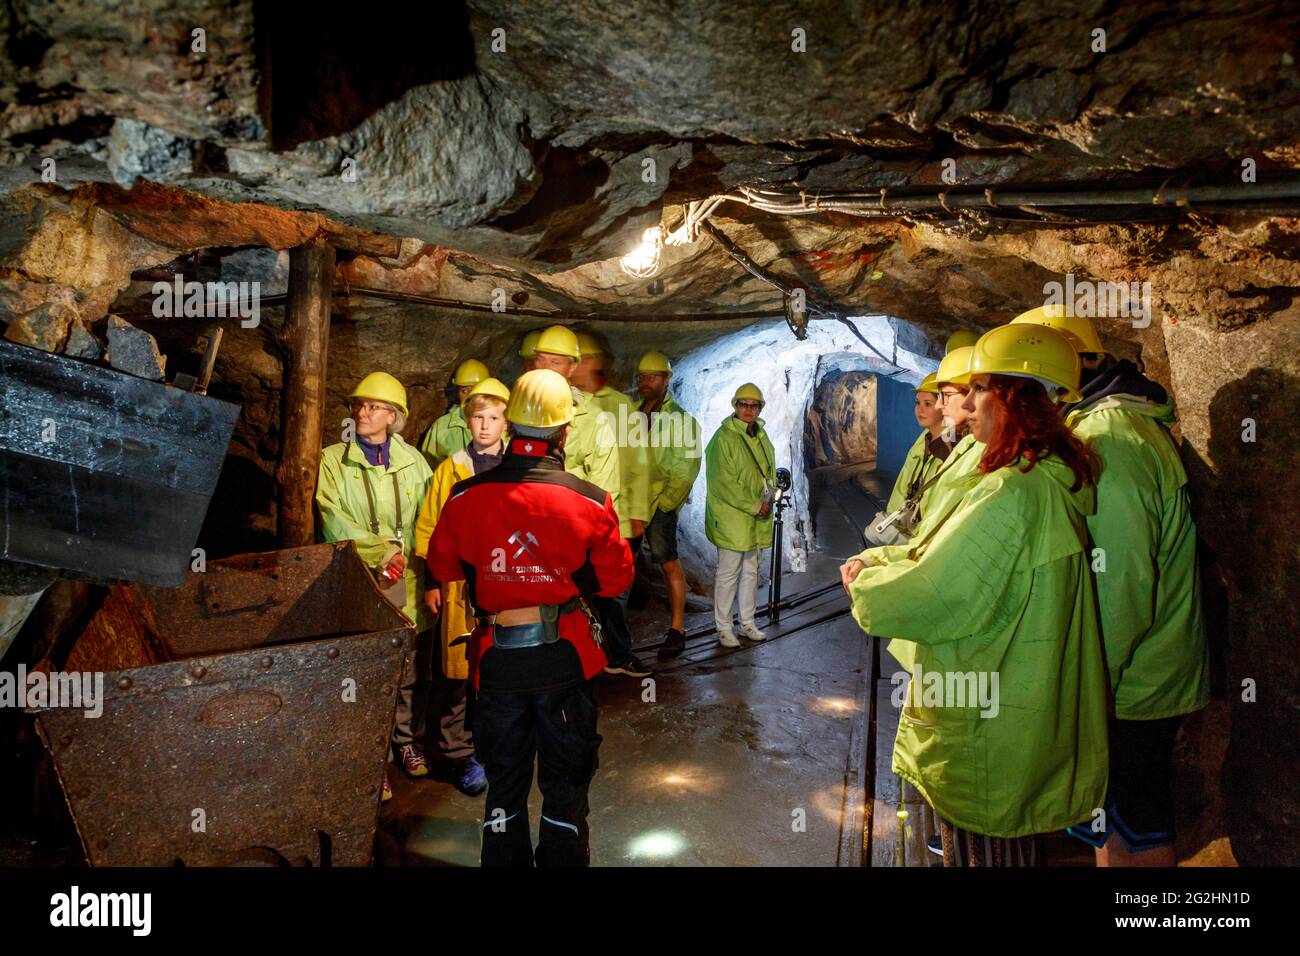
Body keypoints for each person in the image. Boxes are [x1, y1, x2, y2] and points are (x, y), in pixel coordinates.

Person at [841, 325, 1108, 866]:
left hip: (991, 714)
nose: (966, 401)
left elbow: (938, 591)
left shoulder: (1012, 491)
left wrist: (864, 583)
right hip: (1015, 701)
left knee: (986, 849)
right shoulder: (1040, 476)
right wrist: (880, 558)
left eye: (979, 388)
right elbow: (947, 551)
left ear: (1011, 397)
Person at [1012, 306, 1210, 867]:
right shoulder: (1100, 430)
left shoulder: (1111, 445)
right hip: (1133, 676)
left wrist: (1084, 689)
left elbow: (1119, 586)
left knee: (1136, 823)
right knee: (1112, 823)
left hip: (1132, 685)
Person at [426, 369, 635, 866]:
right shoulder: (589, 500)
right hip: (566, 660)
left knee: (504, 786)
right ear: (564, 433)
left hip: (497, 662)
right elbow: (615, 580)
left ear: (512, 427)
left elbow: (443, 566)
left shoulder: (464, 497)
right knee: (565, 783)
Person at [316, 372, 434, 804]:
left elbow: (429, 513)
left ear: (393, 417)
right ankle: (375, 758)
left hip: (411, 582)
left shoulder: (414, 462)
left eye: (373, 407)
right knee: (371, 674)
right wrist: (381, 553)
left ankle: (406, 740)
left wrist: (415, 553)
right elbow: (331, 520)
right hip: (366, 580)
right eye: (359, 405)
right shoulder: (333, 460)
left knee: (410, 672)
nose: (362, 413)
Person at [530, 325, 650, 678]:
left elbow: (629, 467)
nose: (547, 367)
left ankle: (607, 655)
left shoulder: (605, 411)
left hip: (588, 523)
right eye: (542, 359)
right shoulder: (519, 407)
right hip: (536, 530)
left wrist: (637, 512)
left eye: (557, 361)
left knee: (606, 596)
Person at [413, 377, 513, 798]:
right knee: (456, 675)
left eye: (493, 418)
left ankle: (500, 747)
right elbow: (430, 529)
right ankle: (459, 753)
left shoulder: (516, 469)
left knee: (501, 671)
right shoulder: (449, 469)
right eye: (478, 417)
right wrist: (434, 582)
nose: (485, 426)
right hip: (459, 588)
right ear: (466, 421)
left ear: (507, 423)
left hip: (506, 584)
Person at [634, 351, 702, 658]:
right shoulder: (632, 414)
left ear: (666, 380)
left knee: (668, 562)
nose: (645, 383)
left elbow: (686, 467)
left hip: (658, 504)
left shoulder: (681, 420)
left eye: (652, 377)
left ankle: (677, 629)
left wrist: (666, 505)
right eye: (642, 378)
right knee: (621, 565)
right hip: (632, 503)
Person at [705, 383, 776, 648]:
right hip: (732, 517)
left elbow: (766, 471)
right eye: (743, 404)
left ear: (760, 408)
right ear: (735, 406)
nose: (748, 410)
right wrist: (754, 504)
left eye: (753, 405)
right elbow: (723, 483)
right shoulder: (723, 438)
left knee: (750, 571)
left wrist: (767, 499)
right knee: (728, 572)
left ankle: (747, 623)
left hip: (756, 516)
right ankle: (724, 627)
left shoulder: (760, 435)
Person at [867, 373, 949, 545]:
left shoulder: (951, 448)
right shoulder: (922, 442)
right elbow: (902, 486)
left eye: (928, 404)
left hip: (927, 537)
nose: (919, 409)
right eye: (918, 403)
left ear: (943, 406)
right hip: (907, 529)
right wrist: (890, 520)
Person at [420, 359, 489, 469]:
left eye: (476, 390)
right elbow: (428, 470)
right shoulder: (442, 427)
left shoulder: (501, 424)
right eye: (464, 391)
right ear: (457, 393)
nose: (470, 397)